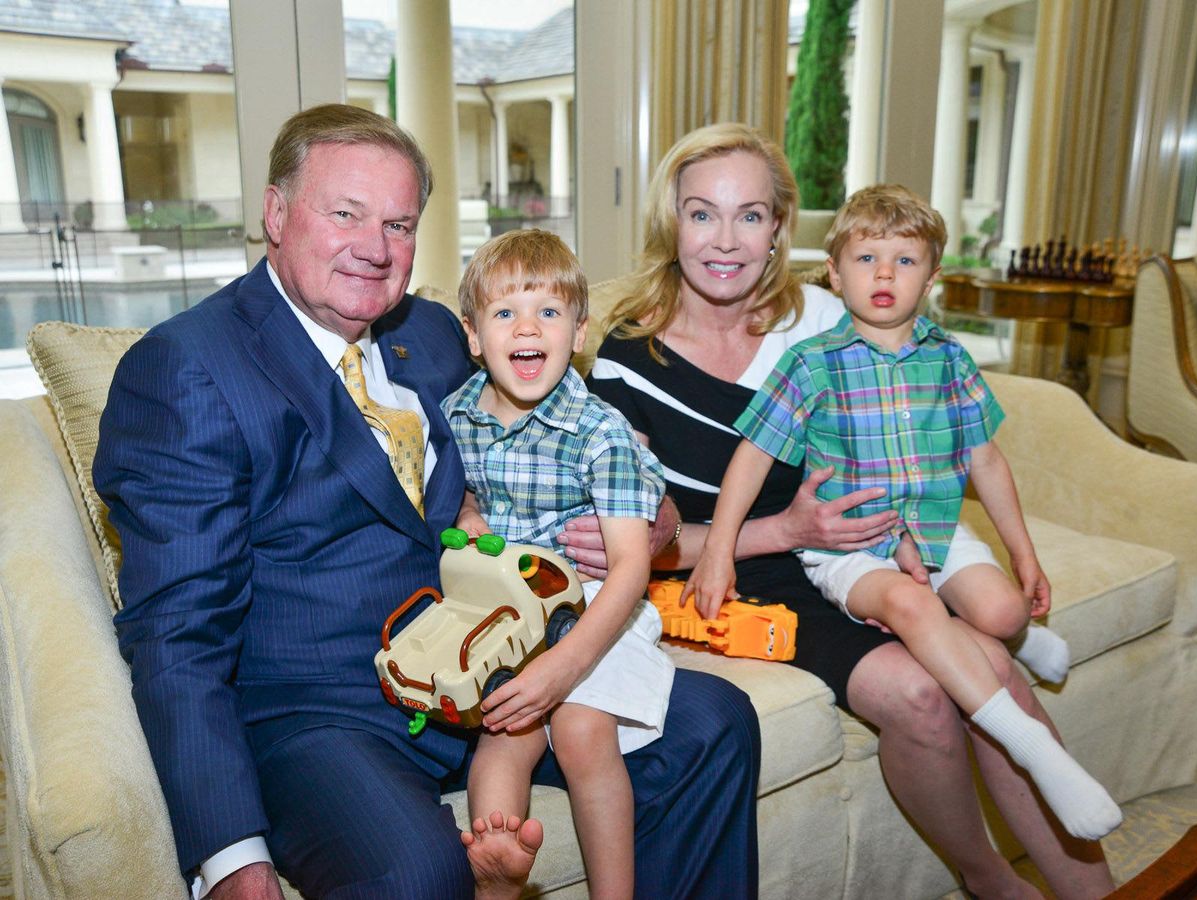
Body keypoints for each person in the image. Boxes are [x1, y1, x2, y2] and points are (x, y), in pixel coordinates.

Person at [94, 104, 760, 900]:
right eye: (346, 214)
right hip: (326, 713)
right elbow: (177, 634)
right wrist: (231, 858)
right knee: (418, 875)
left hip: (497, 662)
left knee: (714, 724)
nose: (376, 249)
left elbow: (554, 441)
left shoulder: (437, 333)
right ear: (275, 213)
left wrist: (641, 519)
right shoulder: (186, 368)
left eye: (400, 224)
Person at [566, 122, 1116, 898]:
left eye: (750, 215)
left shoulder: (824, 319)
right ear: (672, 221)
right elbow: (651, 546)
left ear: (779, 228)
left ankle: (1098, 891)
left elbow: (926, 425)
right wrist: (786, 529)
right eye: (702, 213)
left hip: (867, 552)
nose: (725, 239)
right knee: (923, 695)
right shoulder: (627, 359)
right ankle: (990, 878)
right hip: (750, 577)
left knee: (989, 665)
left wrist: (920, 539)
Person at [684, 183, 1121, 841]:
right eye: (865, 259)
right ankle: (1031, 745)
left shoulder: (948, 358)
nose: (884, 274)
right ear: (834, 273)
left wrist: (1023, 554)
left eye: (905, 260)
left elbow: (988, 461)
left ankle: (1027, 640)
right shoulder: (809, 363)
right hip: (850, 548)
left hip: (939, 527)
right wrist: (718, 551)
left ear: (933, 275)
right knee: (913, 607)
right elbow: (750, 457)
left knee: (1002, 612)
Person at [443, 228, 674, 898]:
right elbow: (452, 492)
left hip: (603, 602)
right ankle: (495, 857)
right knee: (506, 728)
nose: (528, 327)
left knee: (578, 728)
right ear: (473, 334)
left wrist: (565, 666)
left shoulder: (602, 433)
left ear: (578, 333)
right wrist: (464, 514)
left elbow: (632, 567)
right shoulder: (457, 415)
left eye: (549, 312)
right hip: (512, 606)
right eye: (506, 311)